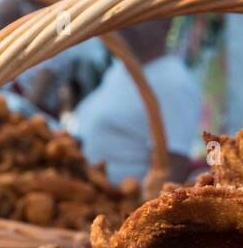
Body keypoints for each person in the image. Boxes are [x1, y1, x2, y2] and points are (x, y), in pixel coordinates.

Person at [72, 18, 201, 184]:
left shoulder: (174, 82)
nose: (128, 22)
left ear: (166, 23)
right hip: (83, 187)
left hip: (115, 204)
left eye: (142, 16)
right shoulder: (120, 68)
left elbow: (171, 172)